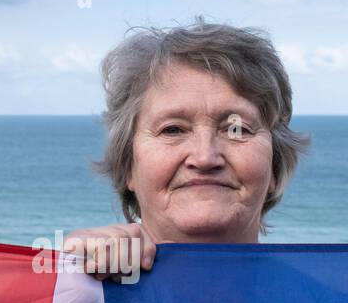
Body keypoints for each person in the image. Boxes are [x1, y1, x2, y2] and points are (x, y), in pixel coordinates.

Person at [64, 19, 308, 279]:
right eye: (173, 130)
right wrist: (69, 276)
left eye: (236, 130)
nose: (205, 158)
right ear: (127, 166)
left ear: (275, 165)